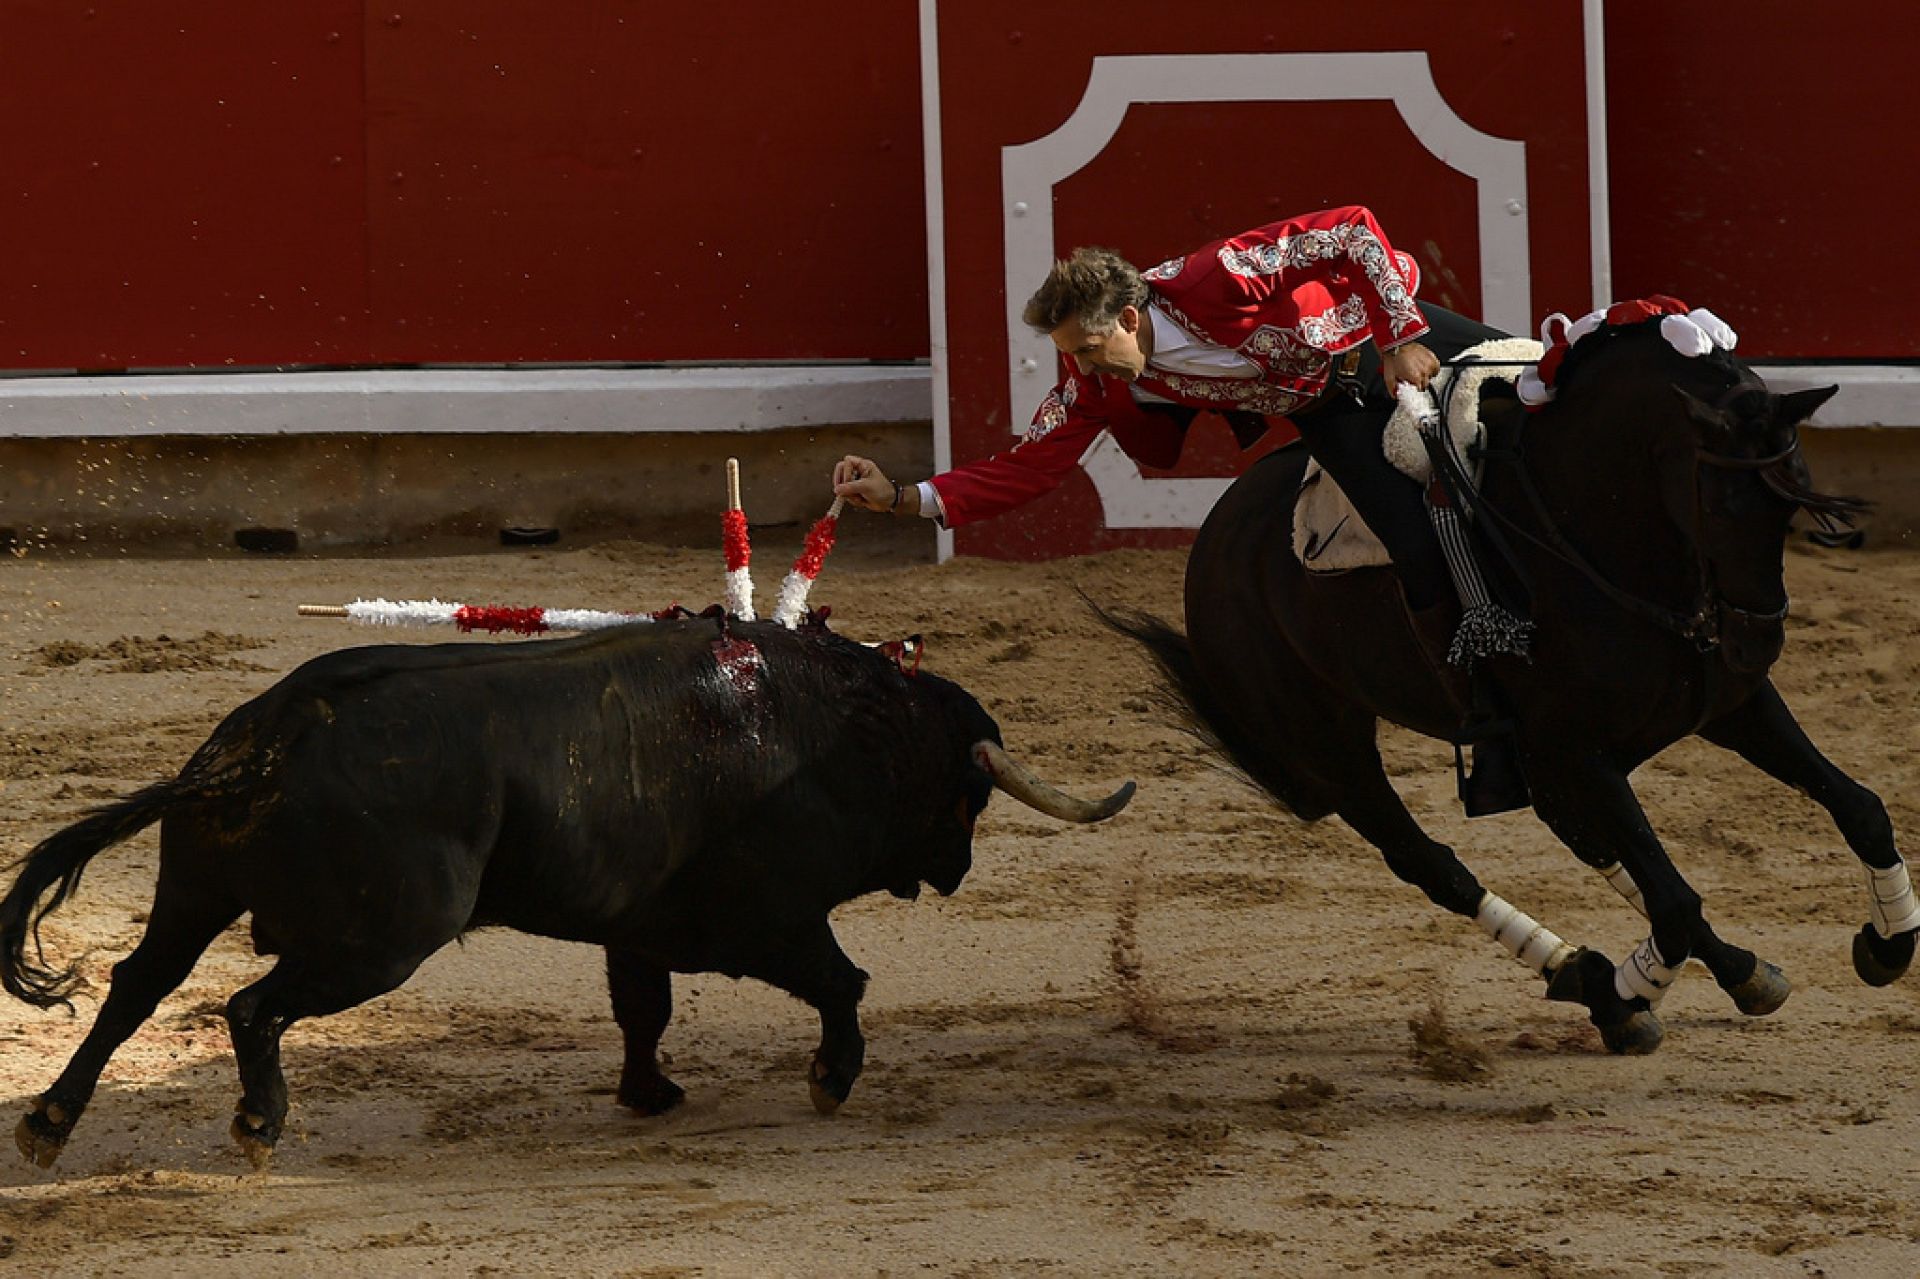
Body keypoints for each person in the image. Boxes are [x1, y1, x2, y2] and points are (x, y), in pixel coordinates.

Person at [831, 204, 1528, 814]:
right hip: (1328, 412)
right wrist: (902, 498)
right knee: (1414, 547)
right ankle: (1494, 725)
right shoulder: (1094, 378)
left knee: (1533, 393)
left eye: (1093, 350)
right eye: (1073, 356)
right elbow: (1028, 465)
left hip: (1377, 342)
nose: (1086, 369)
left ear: (1129, 317)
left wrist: (1398, 336)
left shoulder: (1216, 275)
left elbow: (1350, 228)